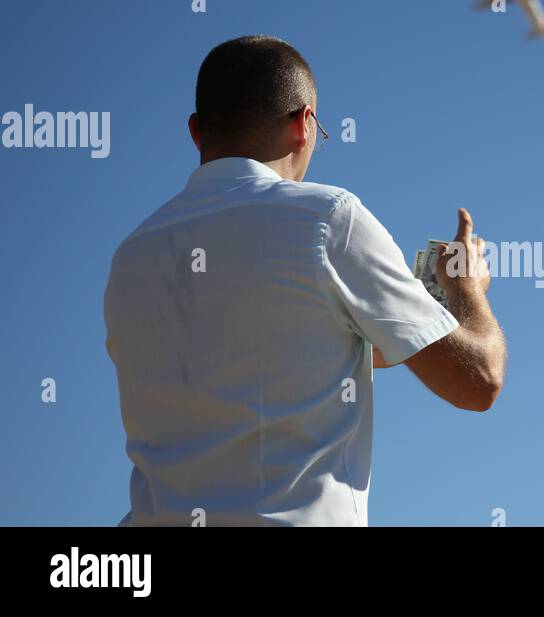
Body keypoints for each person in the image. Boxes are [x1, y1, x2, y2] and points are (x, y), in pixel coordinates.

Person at [103, 35, 506, 526]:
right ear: (304, 124)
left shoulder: (131, 257)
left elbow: (300, 350)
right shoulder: (328, 218)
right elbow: (479, 381)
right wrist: (465, 289)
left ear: (195, 131)